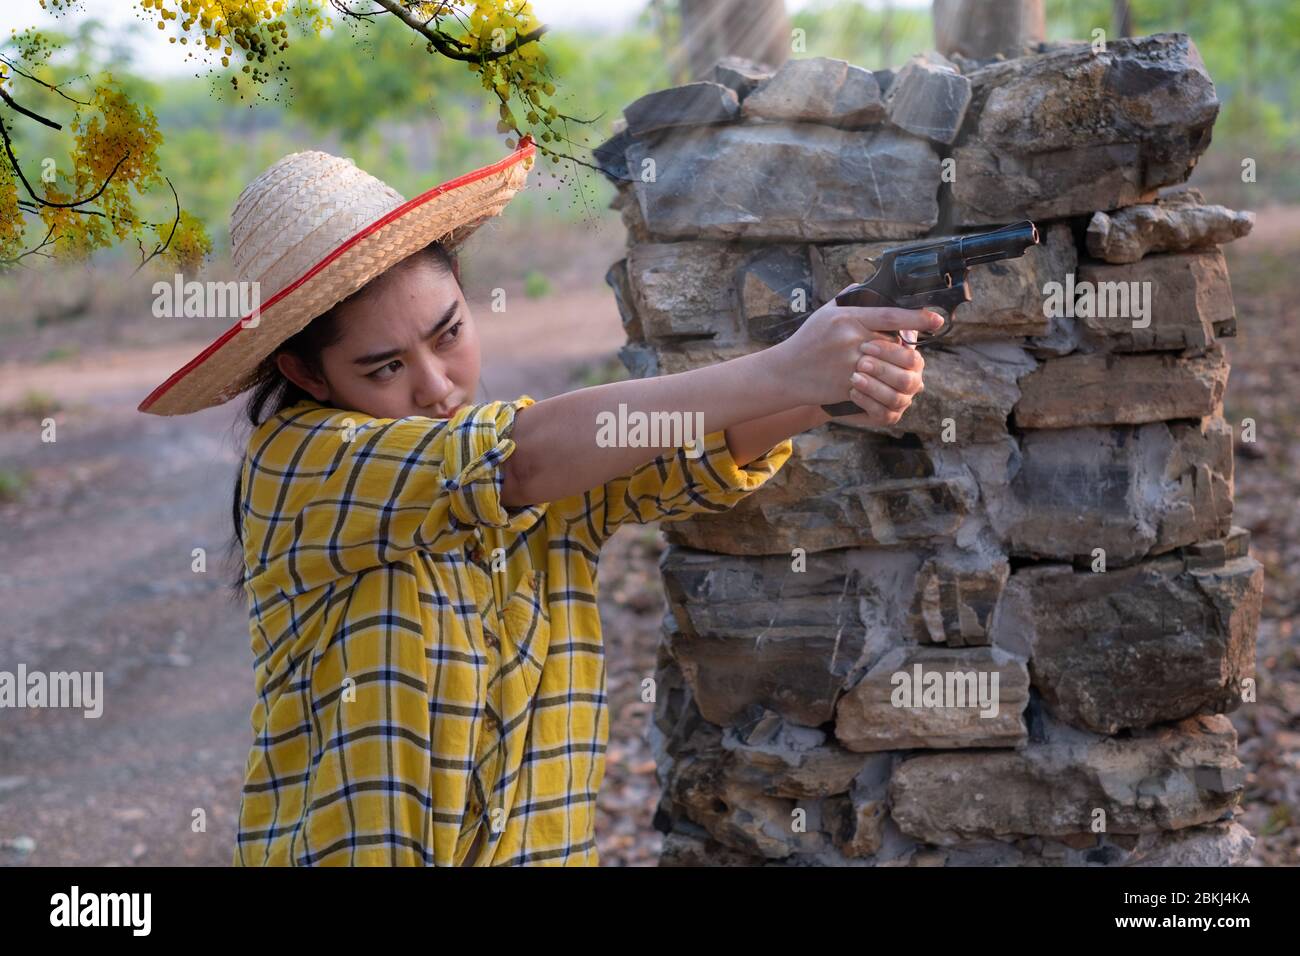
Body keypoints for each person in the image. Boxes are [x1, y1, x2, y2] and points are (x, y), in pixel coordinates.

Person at [137, 135, 935, 866]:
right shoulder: (301, 463)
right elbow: (514, 464)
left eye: (448, 332)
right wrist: (788, 369)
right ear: (310, 377)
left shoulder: (528, 463)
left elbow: (684, 455)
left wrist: (838, 381)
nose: (437, 384)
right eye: (384, 369)